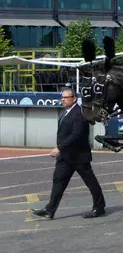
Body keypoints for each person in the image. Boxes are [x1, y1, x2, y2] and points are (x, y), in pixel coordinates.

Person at [31, 87, 106, 220]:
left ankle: (99, 207)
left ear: (74, 98)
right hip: (66, 157)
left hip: (78, 156)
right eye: (62, 97)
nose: (63, 100)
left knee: (90, 182)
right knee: (58, 181)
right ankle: (50, 209)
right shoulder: (65, 113)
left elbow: (76, 135)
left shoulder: (79, 113)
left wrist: (60, 148)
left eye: (66, 97)